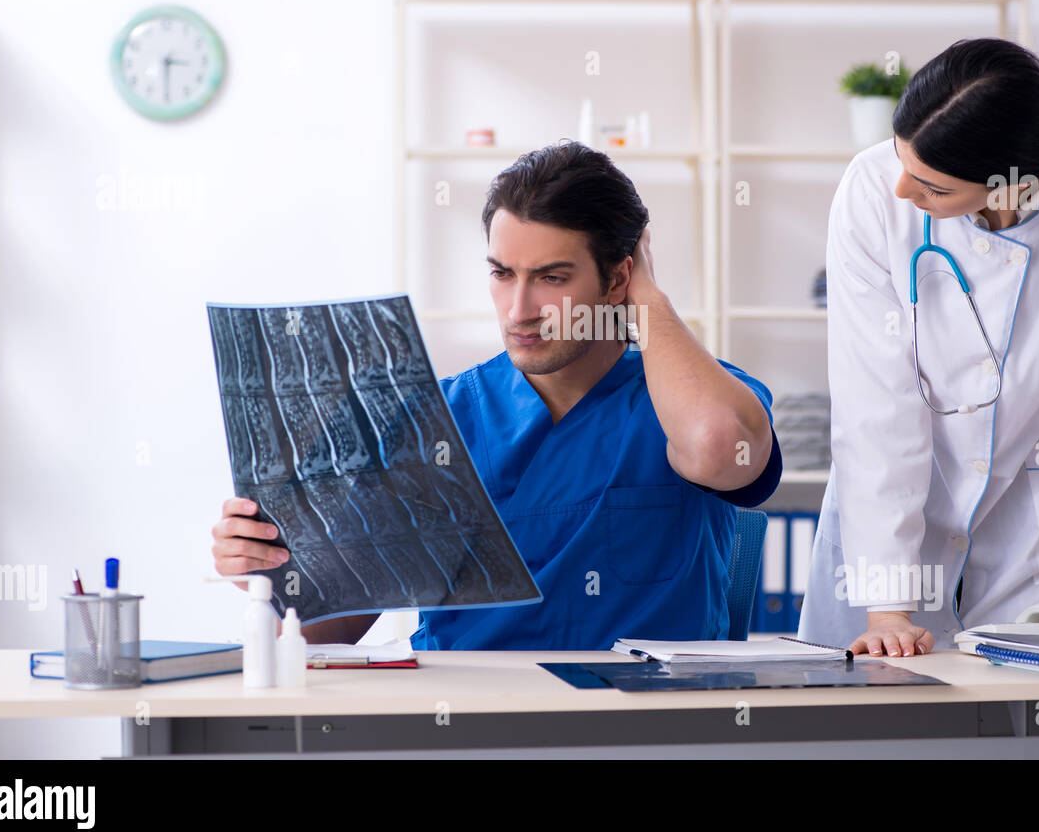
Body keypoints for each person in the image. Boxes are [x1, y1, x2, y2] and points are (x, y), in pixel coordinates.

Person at [212, 141, 782, 649]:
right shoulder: (432, 417)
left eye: (552, 278)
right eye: (502, 274)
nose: (519, 311)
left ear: (616, 281)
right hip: (466, 723)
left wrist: (649, 302)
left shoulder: (696, 397)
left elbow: (715, 445)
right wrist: (271, 574)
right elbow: (334, 627)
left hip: (638, 728)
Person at [797, 38, 1039, 658]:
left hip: (1038, 528)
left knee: (1036, 736)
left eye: (934, 189)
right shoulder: (870, 190)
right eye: (902, 159)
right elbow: (877, 401)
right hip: (887, 517)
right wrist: (888, 607)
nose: (903, 192)